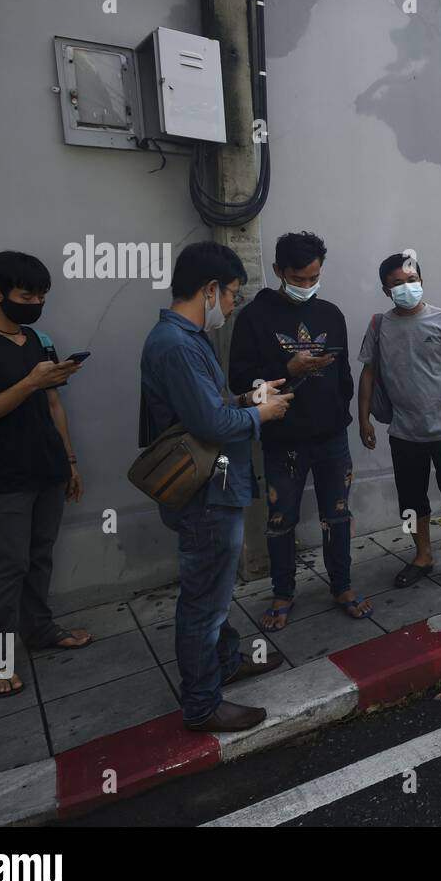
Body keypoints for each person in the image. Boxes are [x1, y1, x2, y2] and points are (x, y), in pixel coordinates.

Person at [141, 241, 290, 732]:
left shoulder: (188, 337)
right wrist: (259, 413)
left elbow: (213, 403)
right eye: (230, 295)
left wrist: (248, 396)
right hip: (205, 494)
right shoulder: (178, 344)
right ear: (208, 290)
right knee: (204, 602)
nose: (231, 305)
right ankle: (202, 703)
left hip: (216, 484)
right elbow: (210, 422)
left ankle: (225, 661)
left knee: (213, 593)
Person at [0, 252, 90, 697]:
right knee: (10, 563)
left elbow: (53, 406)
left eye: (42, 295)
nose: (37, 302)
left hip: (47, 465)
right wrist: (29, 382)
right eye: (28, 295)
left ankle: (40, 629)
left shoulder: (40, 340)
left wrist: (69, 461)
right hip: (5, 472)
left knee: (41, 553)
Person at [230, 231, 368, 629]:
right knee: (281, 518)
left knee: (338, 514)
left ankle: (341, 584)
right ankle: (283, 592)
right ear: (278, 271)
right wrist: (285, 372)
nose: (307, 286)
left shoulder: (331, 314)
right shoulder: (254, 318)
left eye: (314, 278)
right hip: (282, 440)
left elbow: (343, 374)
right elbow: (240, 385)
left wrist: (340, 409)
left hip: (331, 436)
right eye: (299, 278)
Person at [358, 254, 441, 588]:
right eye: (397, 283)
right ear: (385, 289)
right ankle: (421, 555)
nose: (406, 287)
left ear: (421, 280)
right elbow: (368, 372)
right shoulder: (380, 325)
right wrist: (363, 418)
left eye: (411, 280)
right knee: (410, 502)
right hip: (404, 433)